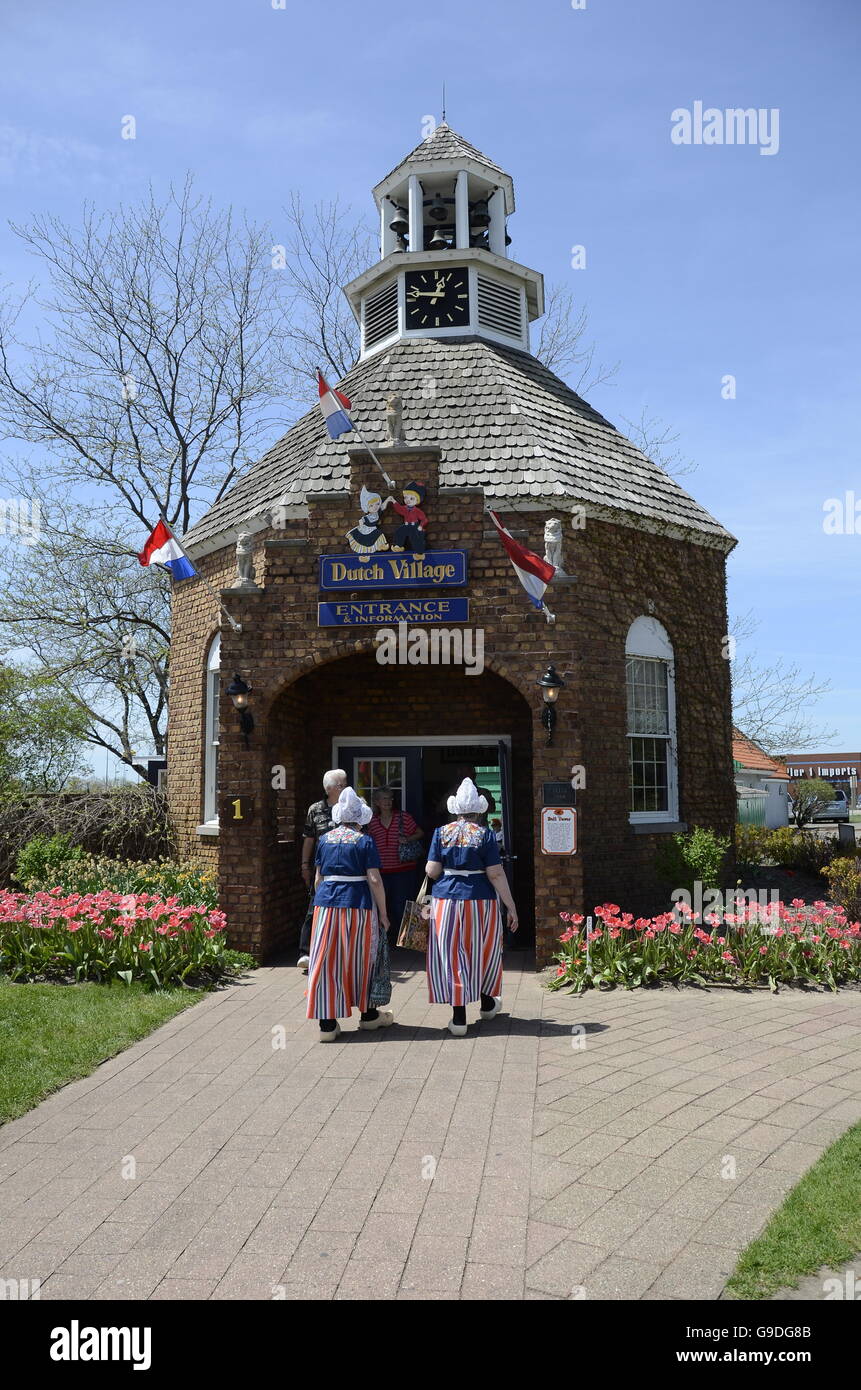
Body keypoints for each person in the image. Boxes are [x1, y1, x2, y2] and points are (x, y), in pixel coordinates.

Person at [425, 777, 518, 1037]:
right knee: (482, 952)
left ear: (455, 810)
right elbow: (496, 874)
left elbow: (431, 871)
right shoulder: (485, 834)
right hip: (479, 902)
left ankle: (459, 1018)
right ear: (478, 811)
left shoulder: (441, 833)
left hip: (446, 902)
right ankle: (487, 1004)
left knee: (452, 955)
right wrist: (511, 907)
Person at [307, 786, 393, 1041]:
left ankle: (327, 1023)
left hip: (326, 906)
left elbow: (318, 878)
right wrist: (384, 913)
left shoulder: (324, 840)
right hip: (358, 905)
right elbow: (374, 880)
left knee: (326, 959)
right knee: (361, 958)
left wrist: (319, 903)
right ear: (360, 817)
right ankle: (368, 1015)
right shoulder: (365, 841)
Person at [297, 769, 347, 971]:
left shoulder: (350, 807)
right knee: (314, 909)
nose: (345, 788)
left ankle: (337, 953)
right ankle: (306, 953)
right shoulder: (315, 809)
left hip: (346, 869)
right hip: (322, 868)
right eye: (342, 785)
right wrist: (304, 865)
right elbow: (309, 839)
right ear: (330, 789)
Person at [367, 787, 424, 944]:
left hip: (403, 870)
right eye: (384, 799)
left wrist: (408, 839)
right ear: (377, 802)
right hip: (381, 871)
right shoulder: (371, 821)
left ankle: (405, 939)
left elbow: (420, 832)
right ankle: (387, 939)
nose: (388, 801)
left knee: (402, 905)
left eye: (390, 798)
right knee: (383, 905)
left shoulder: (403, 817)